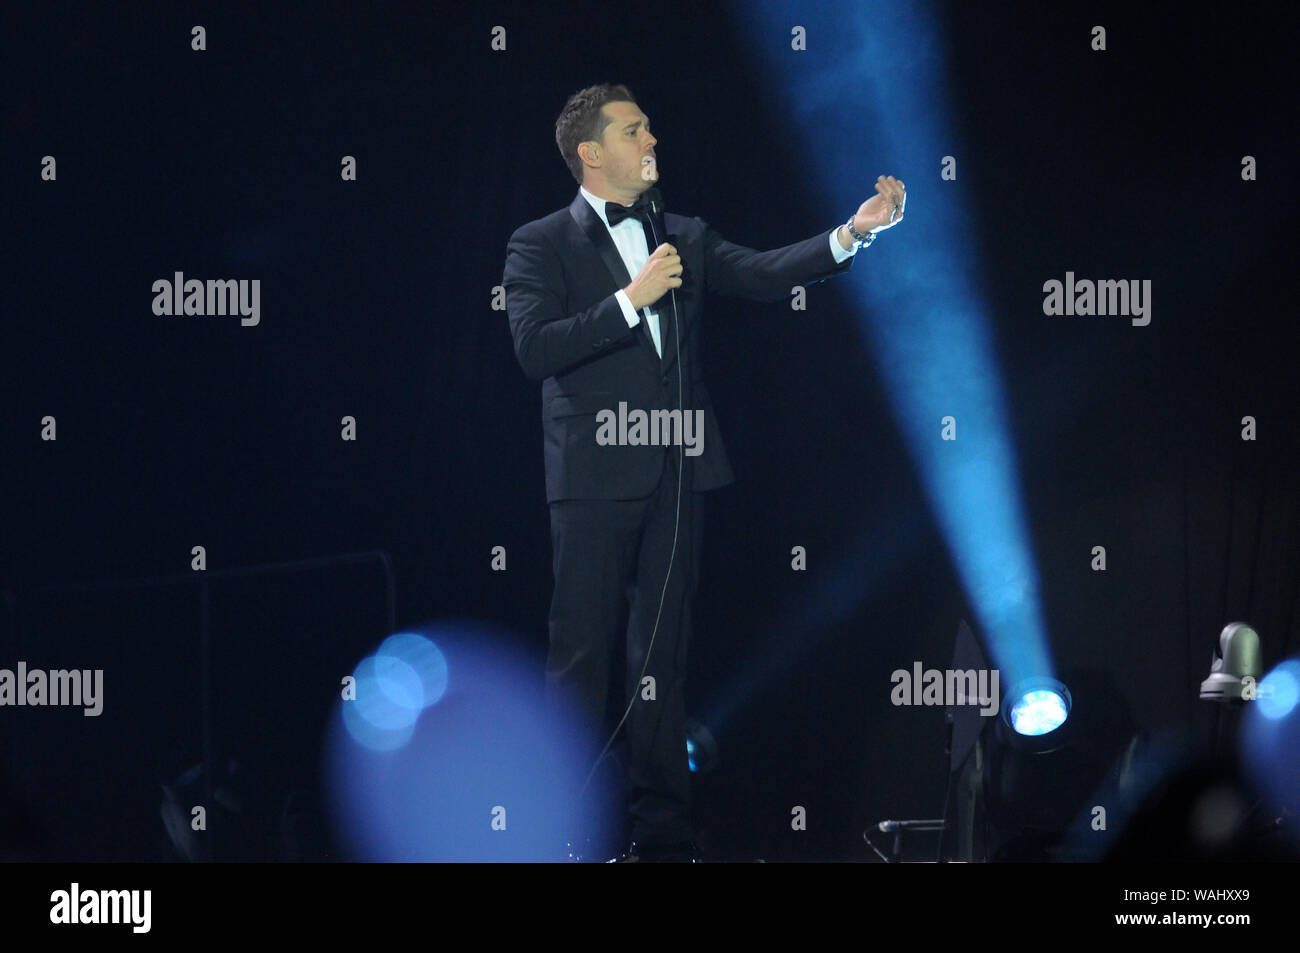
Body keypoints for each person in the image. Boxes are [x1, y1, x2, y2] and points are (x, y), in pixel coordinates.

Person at [502, 83, 905, 862]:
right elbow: (534, 348)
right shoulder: (538, 242)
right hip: (593, 473)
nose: (653, 137)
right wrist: (630, 298)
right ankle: (563, 832)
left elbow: (759, 271)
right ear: (591, 153)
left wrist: (851, 235)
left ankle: (662, 836)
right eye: (634, 129)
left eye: (650, 124)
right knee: (581, 653)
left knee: (663, 661)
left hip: (678, 473)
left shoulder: (679, 231)